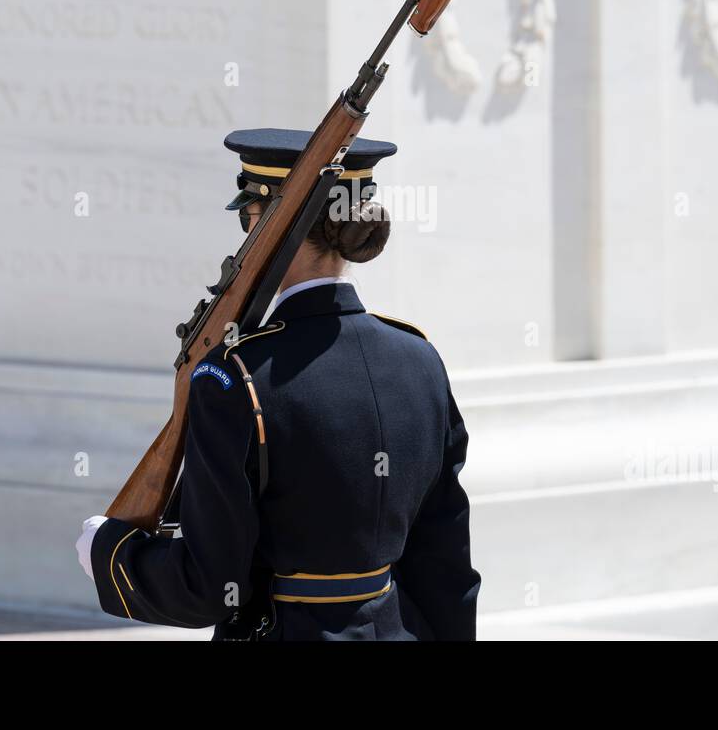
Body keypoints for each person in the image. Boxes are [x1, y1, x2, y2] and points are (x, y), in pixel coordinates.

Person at [75, 128, 480, 640]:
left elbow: (208, 585)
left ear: (261, 222)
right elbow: (446, 569)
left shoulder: (235, 376)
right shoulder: (420, 359)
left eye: (248, 219)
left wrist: (109, 553)